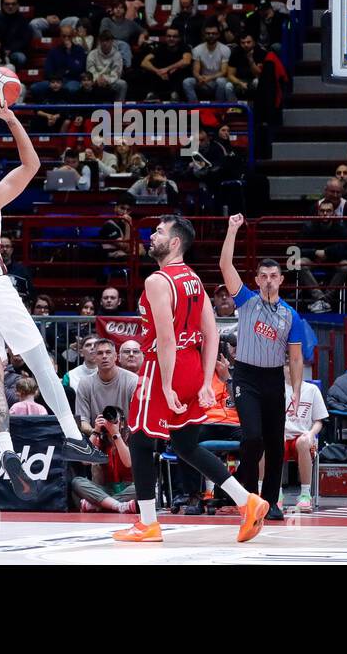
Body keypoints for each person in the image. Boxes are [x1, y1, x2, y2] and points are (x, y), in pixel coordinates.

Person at [0, 102, 106, 500]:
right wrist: (9, 119)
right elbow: (31, 165)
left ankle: (6, 449)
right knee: (39, 358)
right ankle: (71, 435)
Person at [114, 214, 269, 544]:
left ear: (173, 243)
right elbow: (212, 334)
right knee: (185, 445)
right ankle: (247, 500)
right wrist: (201, 381)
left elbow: (167, 339)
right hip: (191, 367)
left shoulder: (158, 280)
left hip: (162, 368)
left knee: (140, 441)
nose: (151, 236)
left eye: (158, 231)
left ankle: (147, 523)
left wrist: (167, 384)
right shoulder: (194, 280)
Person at [218, 213, 313, 520]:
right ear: (257, 279)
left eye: (274, 276)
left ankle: (270, 502)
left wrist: (296, 391)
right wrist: (232, 230)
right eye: (264, 276)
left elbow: (296, 358)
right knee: (252, 438)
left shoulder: (290, 316)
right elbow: (225, 267)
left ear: (281, 280)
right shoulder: (245, 300)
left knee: (274, 444)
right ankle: (245, 493)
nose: (269, 280)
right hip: (246, 375)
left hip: (274, 378)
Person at [71, 405, 137, 514]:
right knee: (77, 482)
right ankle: (118, 505)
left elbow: (128, 463)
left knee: (140, 488)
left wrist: (116, 434)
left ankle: (99, 505)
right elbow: (85, 461)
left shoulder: (131, 437)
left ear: (122, 422)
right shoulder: (100, 439)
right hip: (106, 489)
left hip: (128, 487)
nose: (110, 422)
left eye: (114, 419)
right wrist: (96, 430)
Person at [282, 365, 327, 513]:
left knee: (303, 442)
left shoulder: (311, 390)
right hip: (282, 436)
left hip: (303, 437)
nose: (291, 369)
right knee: (272, 442)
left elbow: (319, 420)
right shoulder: (276, 389)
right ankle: (275, 493)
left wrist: (311, 433)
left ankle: (305, 494)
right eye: (287, 365)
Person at [75, 338, 139, 435]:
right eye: (100, 353)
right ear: (94, 358)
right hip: (96, 437)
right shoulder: (85, 383)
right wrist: (97, 433)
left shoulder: (132, 380)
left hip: (127, 438)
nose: (104, 356)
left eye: (108, 352)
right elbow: (83, 421)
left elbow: (138, 420)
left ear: (115, 357)